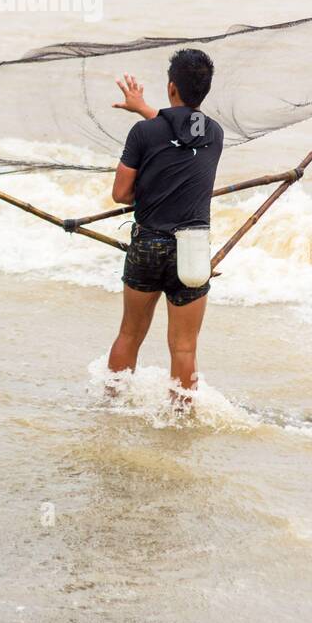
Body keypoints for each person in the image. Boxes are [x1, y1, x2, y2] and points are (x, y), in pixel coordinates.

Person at [107, 49, 223, 400]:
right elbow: (183, 127)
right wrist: (144, 106)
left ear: (171, 86)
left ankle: (111, 408)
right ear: (205, 90)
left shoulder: (143, 133)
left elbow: (120, 194)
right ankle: (182, 422)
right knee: (185, 349)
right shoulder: (214, 133)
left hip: (149, 244)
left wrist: (149, 188)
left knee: (130, 334)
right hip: (192, 250)